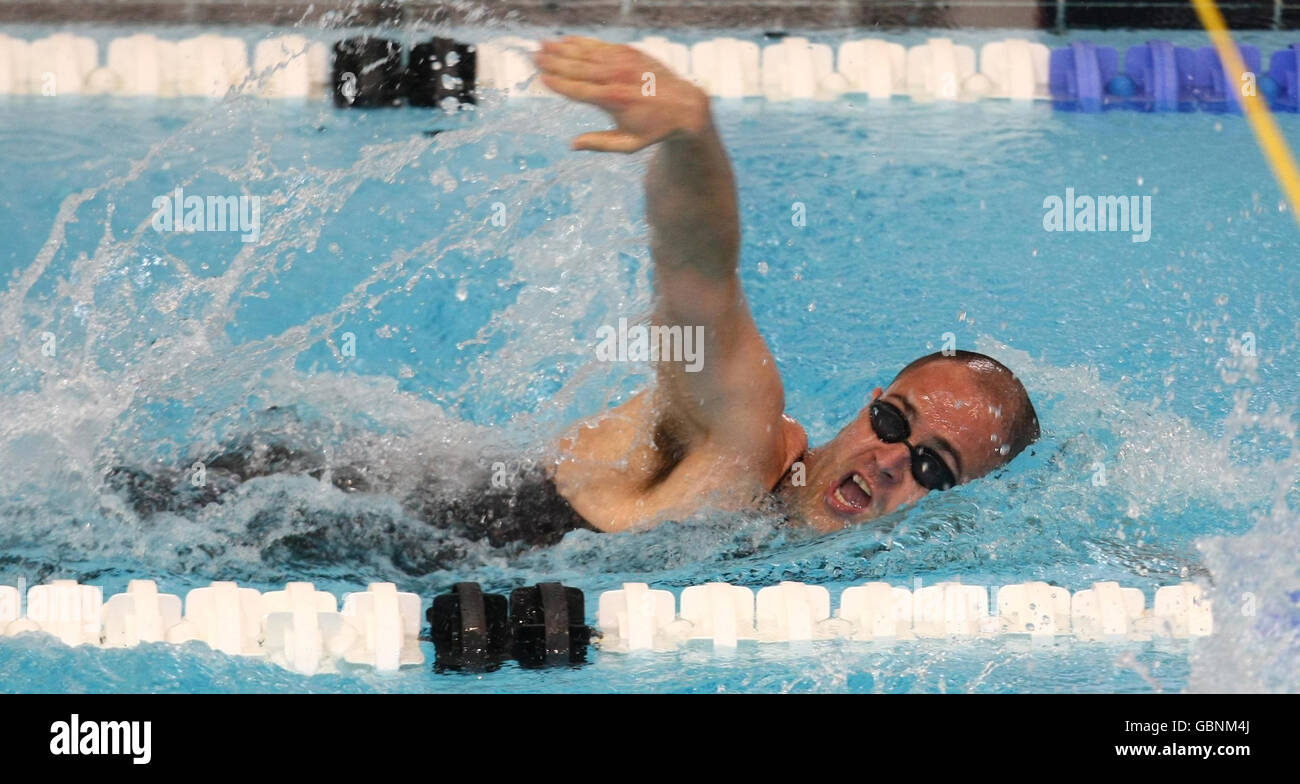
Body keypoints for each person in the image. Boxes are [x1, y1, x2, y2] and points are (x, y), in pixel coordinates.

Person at [535, 36, 1040, 536]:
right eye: (890, 421)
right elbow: (698, 283)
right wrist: (692, 141)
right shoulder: (745, 444)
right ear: (870, 403)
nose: (888, 460)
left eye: (933, 466)